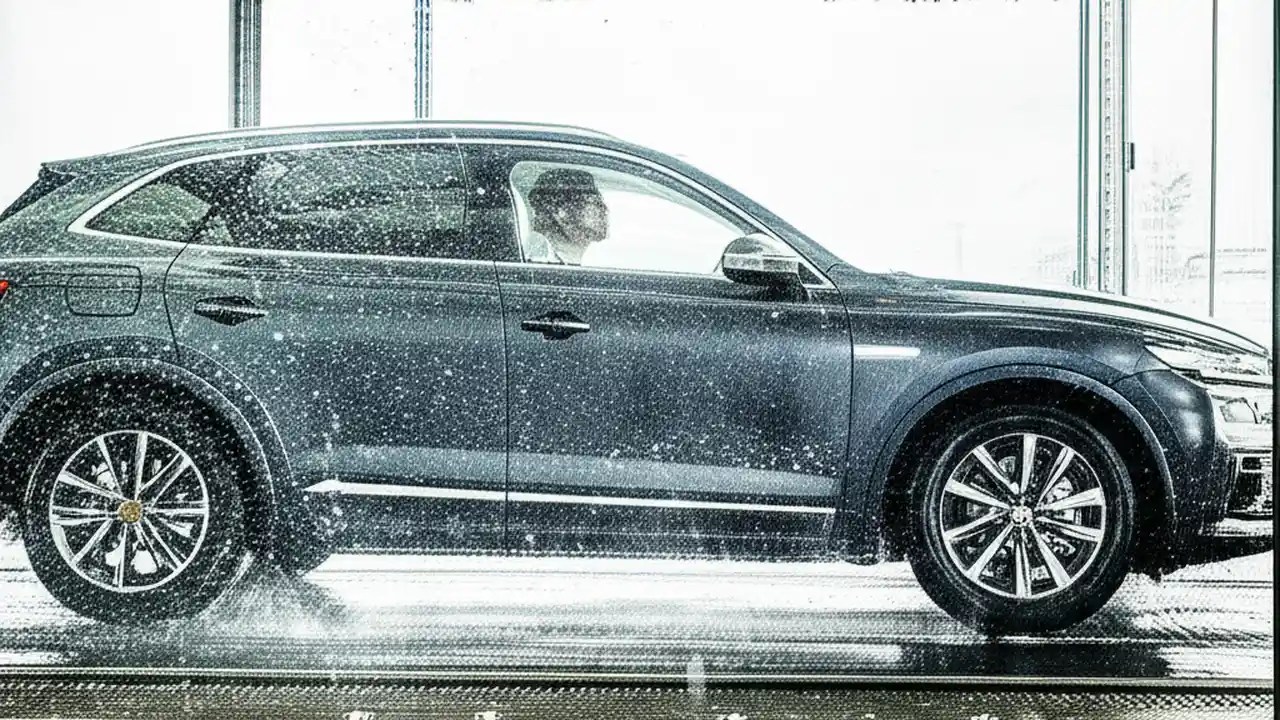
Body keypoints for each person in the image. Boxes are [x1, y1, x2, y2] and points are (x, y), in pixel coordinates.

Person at [524, 167, 609, 265]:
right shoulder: (541, 265)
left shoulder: (545, 263)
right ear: (561, 212)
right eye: (595, 202)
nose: (605, 209)